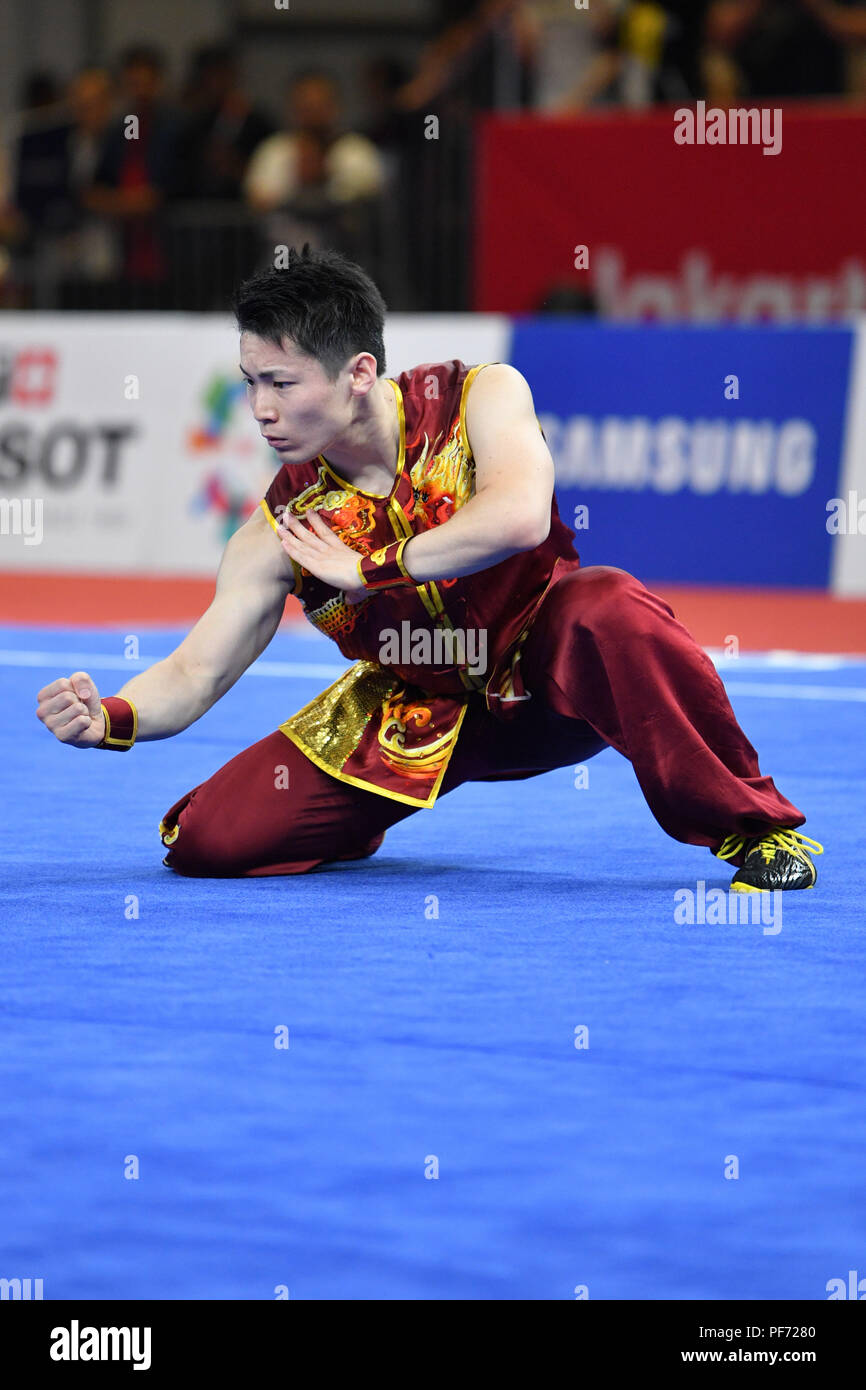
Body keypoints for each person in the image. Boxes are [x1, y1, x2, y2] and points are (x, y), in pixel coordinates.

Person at [35, 245, 822, 892]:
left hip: (548, 669)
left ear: (357, 372)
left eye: (281, 382)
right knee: (208, 841)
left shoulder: (480, 396)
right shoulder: (279, 526)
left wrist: (372, 567)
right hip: (419, 708)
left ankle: (756, 830)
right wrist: (113, 719)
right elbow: (195, 671)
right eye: (250, 383)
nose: (260, 410)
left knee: (612, 605)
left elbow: (517, 513)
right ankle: (359, 813)